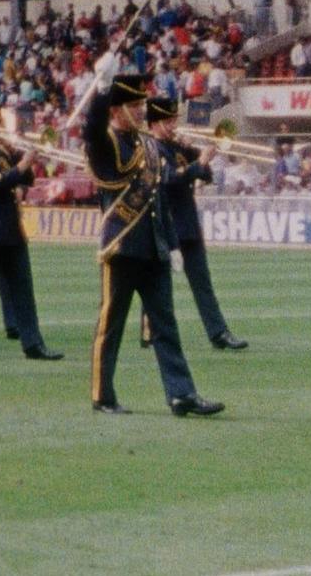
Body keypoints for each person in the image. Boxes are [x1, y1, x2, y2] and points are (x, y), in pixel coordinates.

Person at [81, 55, 222, 417]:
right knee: (110, 325)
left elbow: (159, 198)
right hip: (123, 246)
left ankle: (181, 394)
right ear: (117, 110)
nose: (141, 111)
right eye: (133, 105)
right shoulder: (107, 143)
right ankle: (102, 395)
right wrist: (100, 89)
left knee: (166, 326)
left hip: (154, 248)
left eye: (141, 104)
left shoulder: (150, 145)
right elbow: (91, 129)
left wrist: (173, 245)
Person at [0, 101, 63, 361]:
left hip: (11, 230)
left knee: (23, 290)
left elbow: (27, 179)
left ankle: (33, 344)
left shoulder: (3, 151)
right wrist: (21, 166)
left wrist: (29, 157)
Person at [143, 98, 248, 350]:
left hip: (187, 222)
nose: (172, 126)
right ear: (154, 123)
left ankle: (218, 332)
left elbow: (206, 176)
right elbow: (168, 180)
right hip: (165, 223)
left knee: (203, 283)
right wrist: (197, 162)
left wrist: (197, 155)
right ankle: (150, 331)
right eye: (167, 121)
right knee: (156, 284)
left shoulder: (177, 147)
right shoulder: (150, 148)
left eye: (173, 121)